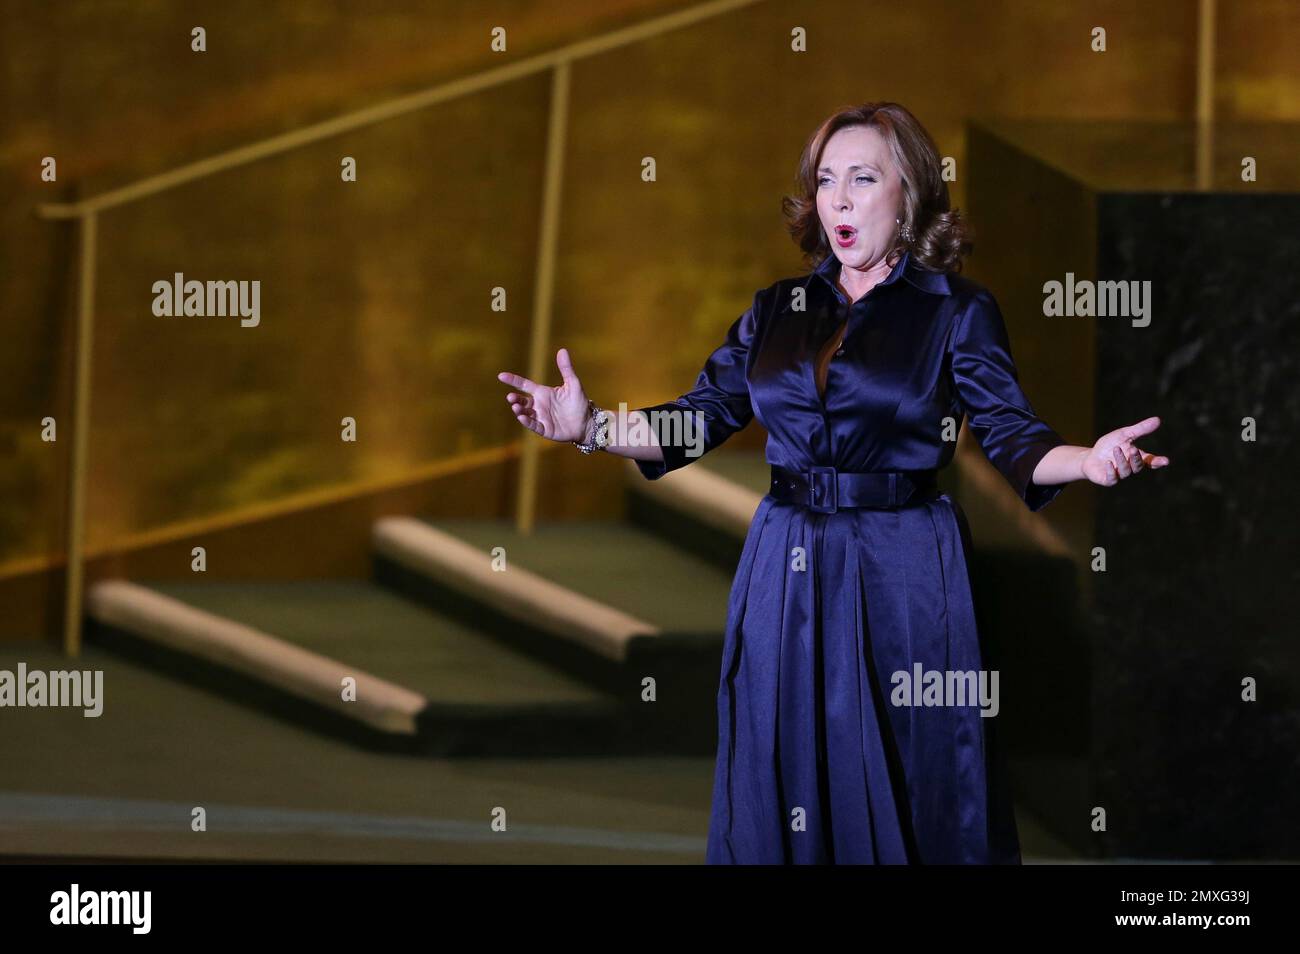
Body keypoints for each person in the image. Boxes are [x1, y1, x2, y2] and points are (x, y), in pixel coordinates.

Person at [496, 101, 1169, 864]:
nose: (839, 199)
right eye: (825, 181)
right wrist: (589, 427)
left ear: (908, 195)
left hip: (905, 564)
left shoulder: (957, 311)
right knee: (781, 768)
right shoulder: (776, 309)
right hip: (785, 562)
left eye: (862, 178)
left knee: (918, 777)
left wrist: (1089, 460)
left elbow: (1013, 437)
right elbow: (701, 418)